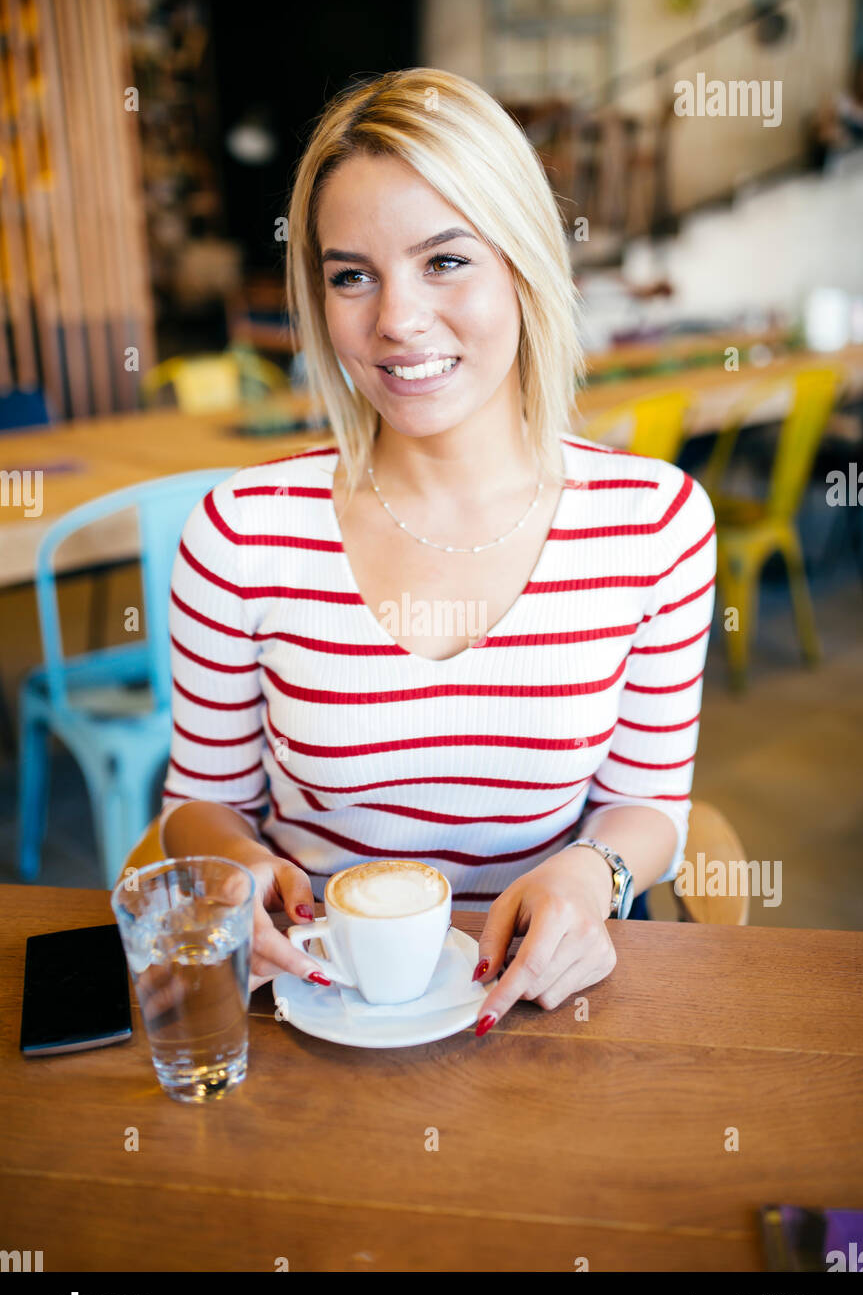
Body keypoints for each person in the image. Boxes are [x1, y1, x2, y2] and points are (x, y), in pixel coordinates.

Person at [160, 68, 716, 1034]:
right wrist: (236, 872)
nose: (397, 321)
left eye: (445, 261)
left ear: (524, 262)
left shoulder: (657, 523)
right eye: (351, 275)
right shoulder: (241, 531)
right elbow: (200, 802)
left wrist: (595, 875)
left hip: (544, 1008)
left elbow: (651, 803)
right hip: (310, 1006)